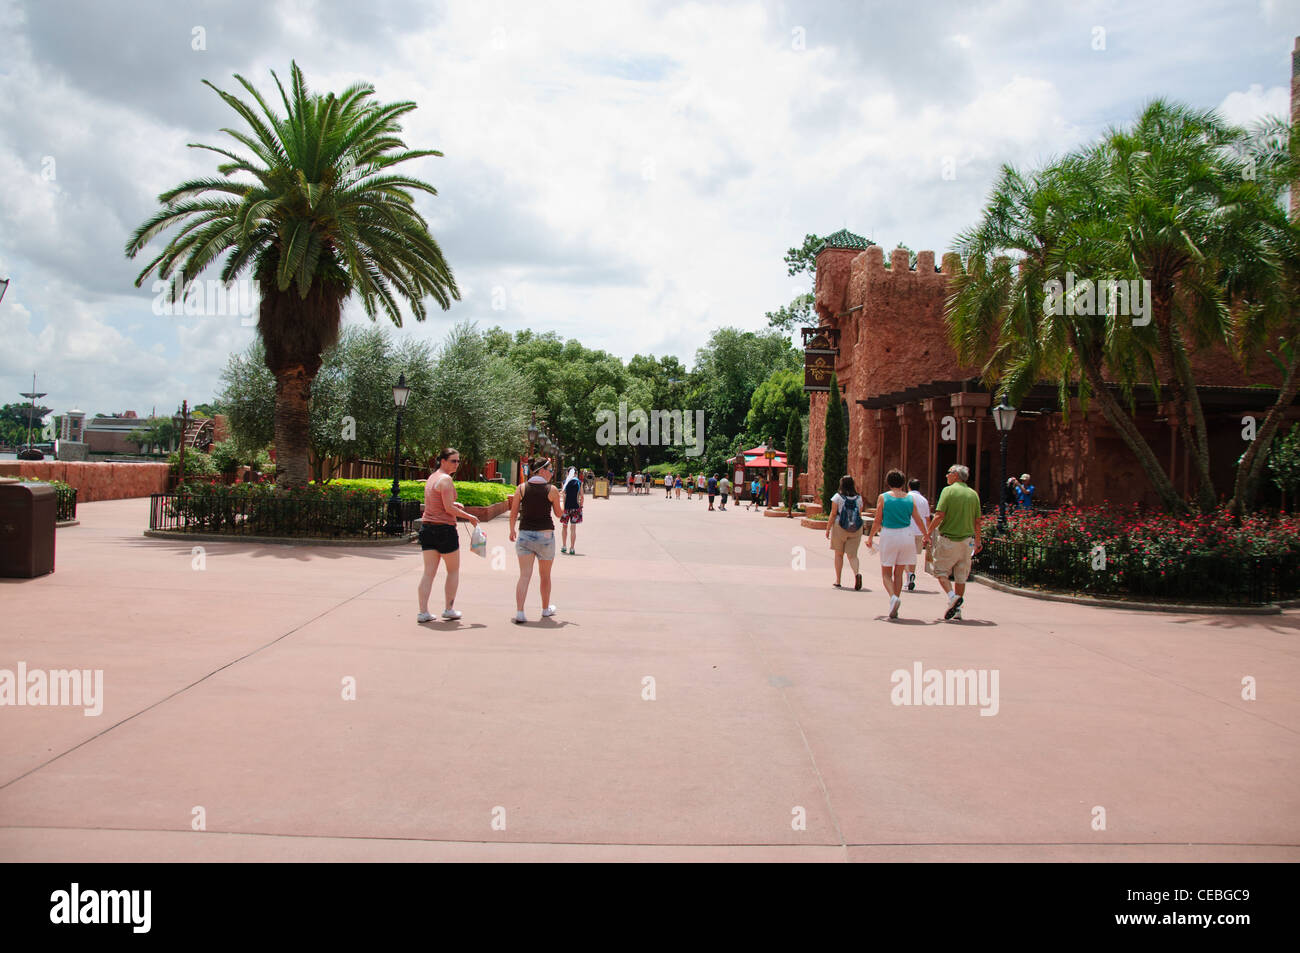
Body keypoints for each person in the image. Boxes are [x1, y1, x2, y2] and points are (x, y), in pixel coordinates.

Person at [416, 447, 481, 623]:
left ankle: (423, 612)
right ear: (442, 460)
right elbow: (448, 508)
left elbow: (440, 502)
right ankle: (449, 609)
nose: (457, 464)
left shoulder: (433, 477)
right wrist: (470, 517)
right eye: (453, 461)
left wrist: (455, 503)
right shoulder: (445, 480)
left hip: (427, 528)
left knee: (428, 572)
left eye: (458, 461)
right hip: (445, 530)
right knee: (452, 570)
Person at [923, 464, 983, 621]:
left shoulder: (948, 491)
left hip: (949, 540)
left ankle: (952, 597)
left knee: (941, 572)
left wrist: (928, 533)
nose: (946, 476)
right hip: (967, 542)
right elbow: (977, 521)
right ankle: (957, 611)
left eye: (948, 473)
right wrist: (977, 541)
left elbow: (939, 515)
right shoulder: (973, 494)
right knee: (961, 576)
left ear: (956, 475)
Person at [866, 469, 928, 619]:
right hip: (907, 535)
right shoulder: (909, 498)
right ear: (903, 483)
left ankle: (893, 597)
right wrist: (926, 535)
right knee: (899, 572)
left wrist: (870, 537)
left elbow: (877, 519)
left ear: (888, 482)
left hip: (890, 534)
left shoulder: (884, 497)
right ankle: (895, 602)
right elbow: (918, 519)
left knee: (886, 572)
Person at [509, 456, 565, 623]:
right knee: (545, 576)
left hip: (525, 534)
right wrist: (562, 499)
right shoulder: (552, 490)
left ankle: (520, 612)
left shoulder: (521, 488)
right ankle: (545, 609)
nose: (551, 473)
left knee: (524, 575)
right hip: (545, 536)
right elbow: (559, 514)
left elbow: (513, 512)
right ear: (541, 470)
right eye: (549, 470)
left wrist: (511, 530)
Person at [824, 475, 865, 590]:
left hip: (840, 527)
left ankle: (838, 580)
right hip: (856, 528)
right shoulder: (859, 498)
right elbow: (860, 514)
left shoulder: (837, 497)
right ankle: (857, 574)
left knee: (839, 554)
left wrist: (828, 529)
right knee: (852, 555)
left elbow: (833, 514)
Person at [904, 478, 931, 592]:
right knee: (913, 556)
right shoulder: (924, 500)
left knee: (904, 556)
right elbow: (927, 518)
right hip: (919, 531)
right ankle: (911, 575)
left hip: (906, 530)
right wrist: (927, 534)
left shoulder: (905, 497)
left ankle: (908, 576)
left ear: (908, 486)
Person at [560, 466, 584, 555]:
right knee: (573, 528)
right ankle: (572, 548)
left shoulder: (564, 482)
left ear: (567, 473)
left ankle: (564, 546)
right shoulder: (579, 482)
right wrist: (581, 506)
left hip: (566, 508)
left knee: (564, 527)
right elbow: (582, 496)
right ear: (576, 473)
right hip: (575, 507)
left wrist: (563, 507)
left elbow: (564, 496)